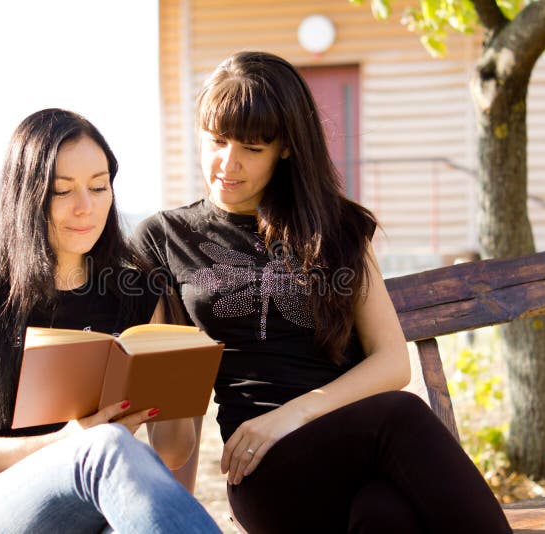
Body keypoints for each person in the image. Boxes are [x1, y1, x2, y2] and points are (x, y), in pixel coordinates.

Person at [134, 51, 512, 533]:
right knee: (402, 416)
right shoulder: (165, 238)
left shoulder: (335, 226)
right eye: (216, 141)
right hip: (268, 466)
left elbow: (392, 361)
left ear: (286, 148)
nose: (227, 163)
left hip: (360, 447)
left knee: (385, 517)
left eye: (251, 148)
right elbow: (177, 401)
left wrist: (294, 413)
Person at [0, 108, 220, 534]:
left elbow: (173, 453)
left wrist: (172, 382)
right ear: (26, 195)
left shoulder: (136, 293)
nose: (86, 207)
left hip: (101, 506)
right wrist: (66, 442)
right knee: (104, 444)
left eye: (99, 187)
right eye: (62, 191)